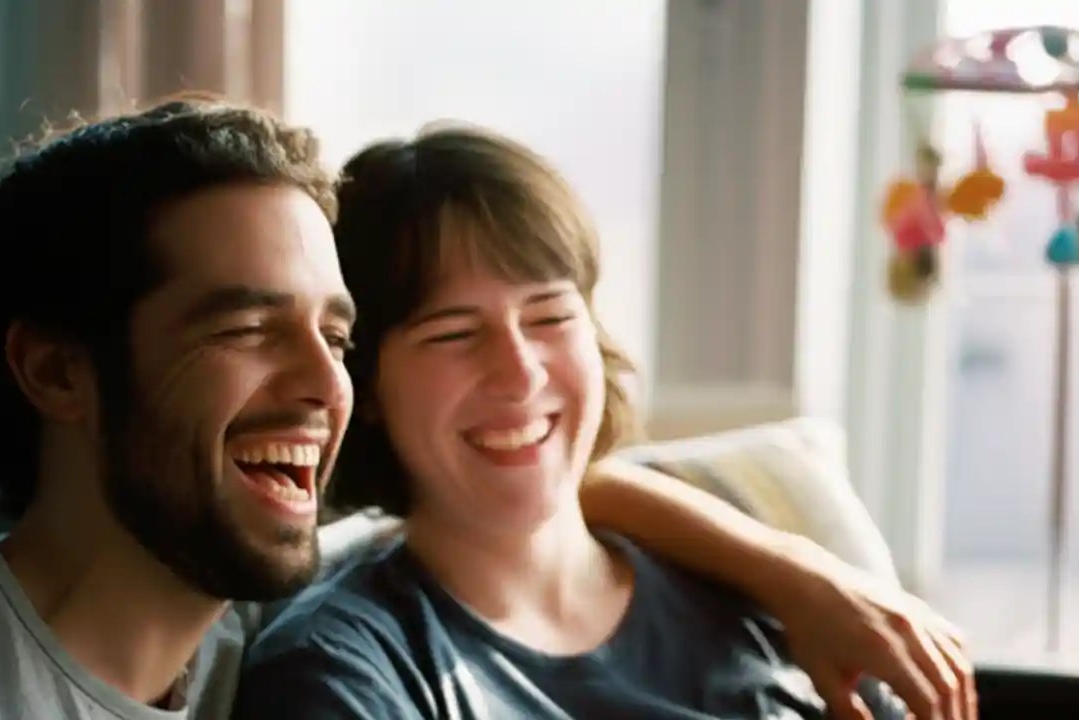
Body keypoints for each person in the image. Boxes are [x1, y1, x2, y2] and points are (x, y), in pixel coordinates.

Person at [0, 98, 971, 720]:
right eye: (245, 327)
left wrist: (800, 574)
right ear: (57, 374)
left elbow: (527, 498)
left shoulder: (241, 606)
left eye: (333, 335)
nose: (318, 385)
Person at [234, 124, 968, 720]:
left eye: (551, 315)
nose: (520, 372)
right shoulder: (342, 673)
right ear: (369, 386)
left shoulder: (759, 598)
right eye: (453, 333)